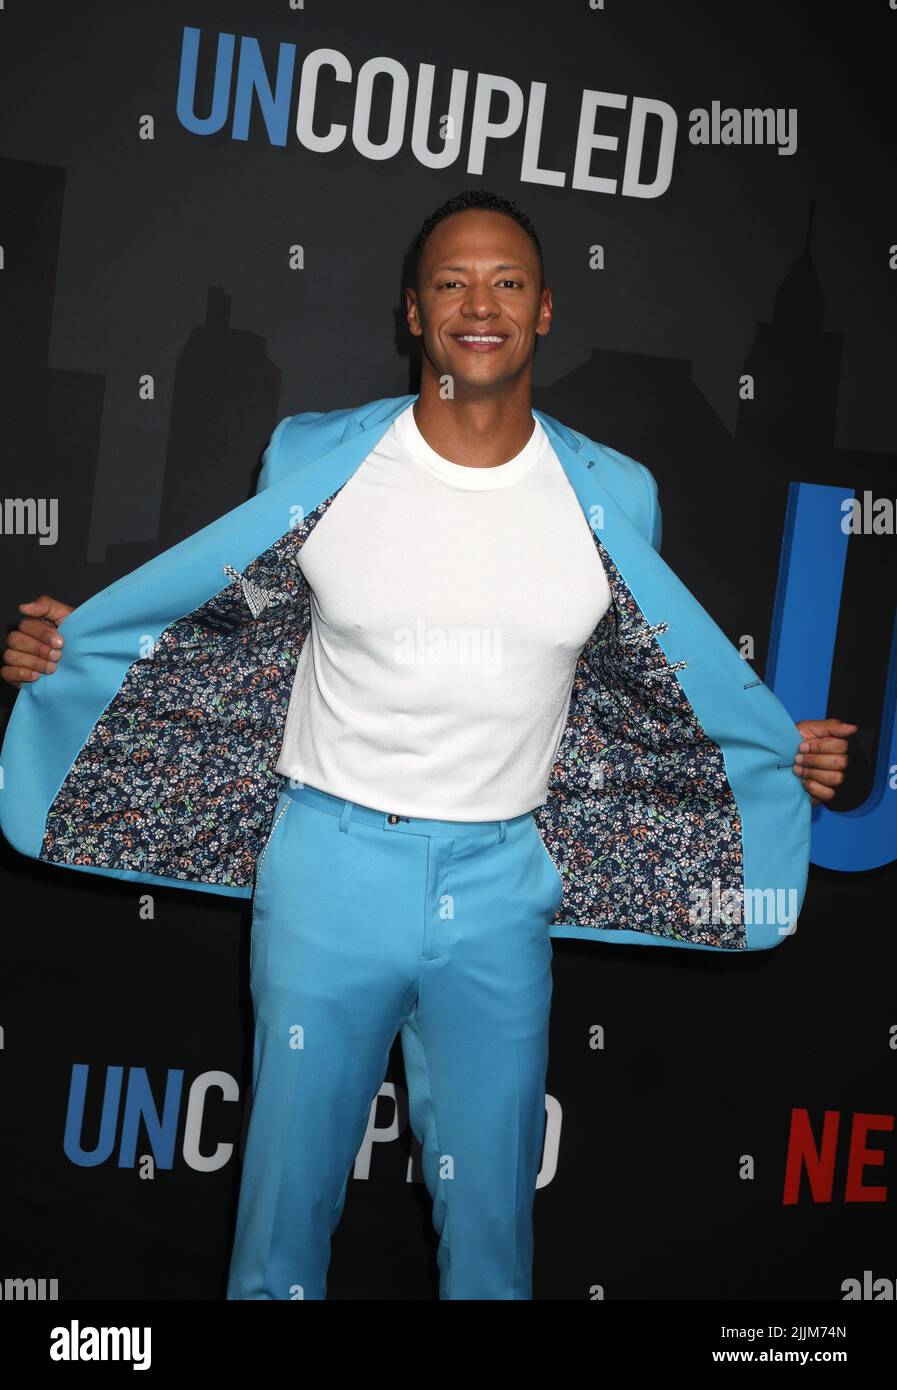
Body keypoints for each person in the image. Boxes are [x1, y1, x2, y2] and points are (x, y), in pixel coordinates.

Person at [0, 190, 855, 1300]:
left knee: (492, 1239)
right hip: (327, 868)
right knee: (280, 1223)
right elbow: (226, 630)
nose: (480, 304)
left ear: (546, 310)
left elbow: (643, 693)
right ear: (415, 311)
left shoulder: (618, 495)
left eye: (507, 281)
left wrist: (775, 758)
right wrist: (69, 655)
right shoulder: (313, 456)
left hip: (503, 889)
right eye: (452, 281)